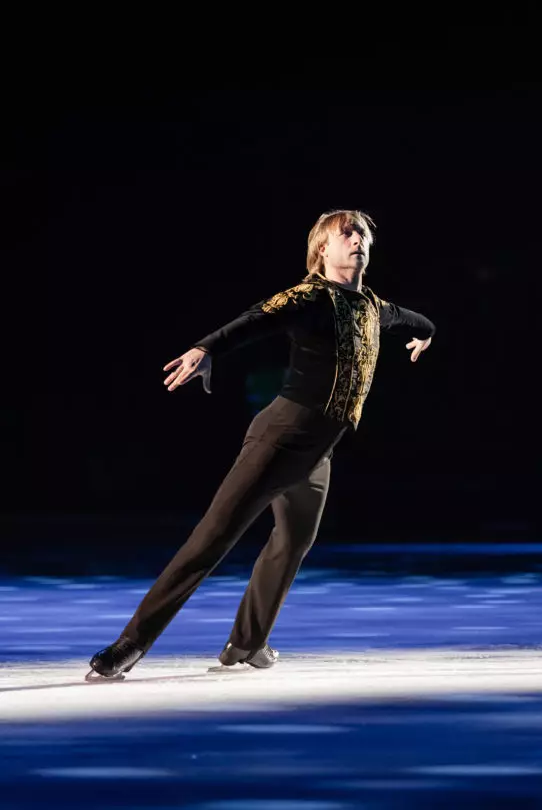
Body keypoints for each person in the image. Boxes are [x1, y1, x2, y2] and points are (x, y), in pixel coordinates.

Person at [86, 209, 435, 680]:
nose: (358, 240)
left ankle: (246, 645)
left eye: (364, 234)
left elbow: (415, 319)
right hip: (280, 438)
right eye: (346, 233)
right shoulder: (308, 297)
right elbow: (255, 319)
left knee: (292, 542)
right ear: (322, 250)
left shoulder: (374, 306)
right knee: (210, 540)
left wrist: (425, 335)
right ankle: (129, 644)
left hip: (316, 454)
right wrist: (206, 348)